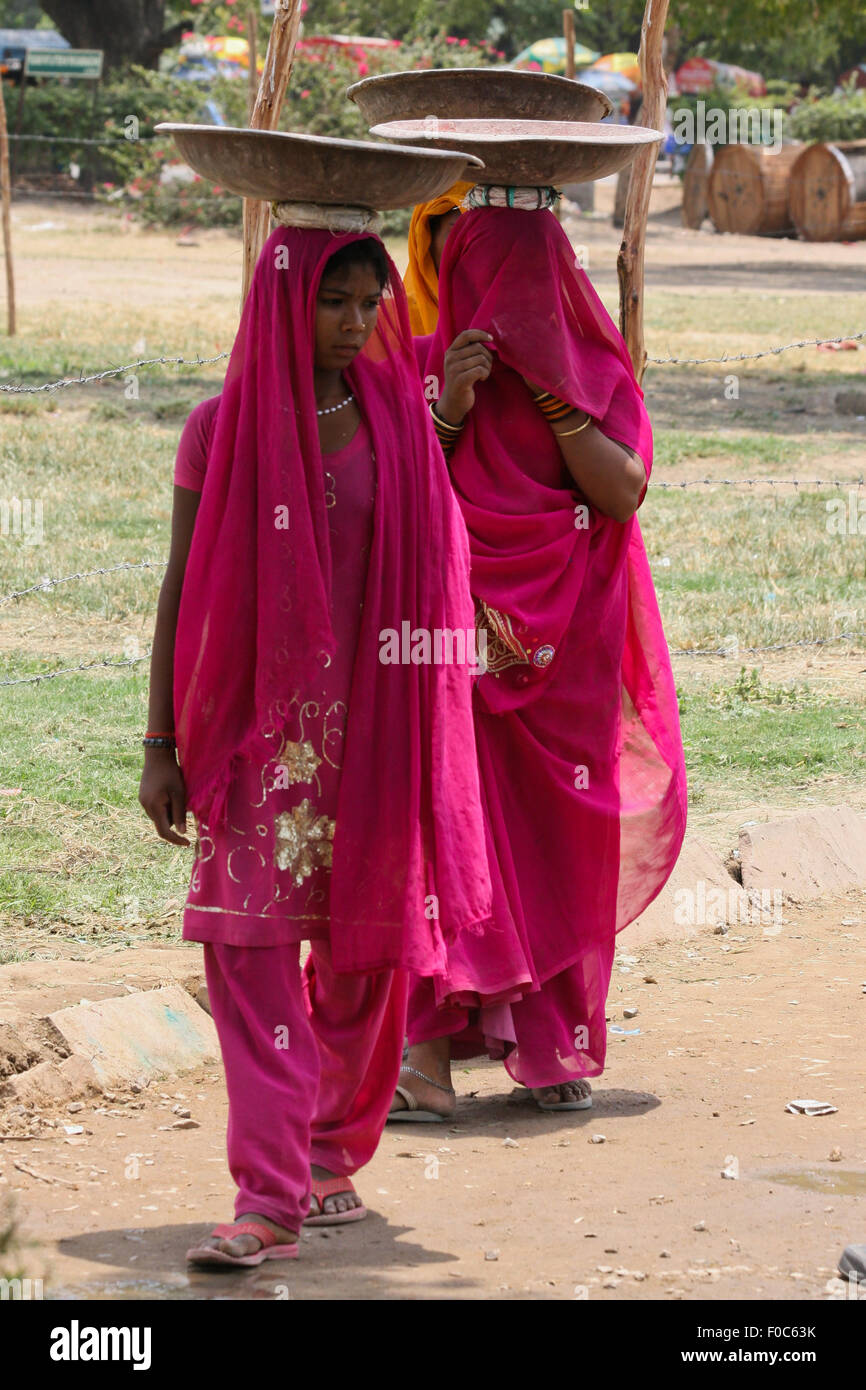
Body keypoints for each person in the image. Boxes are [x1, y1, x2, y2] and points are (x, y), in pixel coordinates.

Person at [139, 221, 496, 1264]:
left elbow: (436, 569)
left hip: (378, 734)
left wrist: (437, 718)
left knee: (364, 959)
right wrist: (162, 738)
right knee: (242, 949)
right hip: (257, 738)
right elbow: (180, 582)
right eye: (330, 301)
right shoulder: (218, 431)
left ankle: (329, 1148)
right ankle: (267, 1193)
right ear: (284, 304)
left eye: (367, 303)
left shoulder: (396, 425)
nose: (351, 323)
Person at [390, 196, 687, 1120]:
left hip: (571, 654)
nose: (506, 298)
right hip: (456, 646)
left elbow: (624, 491)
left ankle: (554, 1045)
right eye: (486, 273)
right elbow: (394, 502)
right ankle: (426, 1061)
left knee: (558, 837)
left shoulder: (593, 367)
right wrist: (450, 408)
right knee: (453, 830)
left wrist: (556, 396)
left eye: (527, 277)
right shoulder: (423, 367)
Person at [403, 180, 474, 335]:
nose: (473, 248)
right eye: (458, 232)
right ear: (425, 239)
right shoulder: (391, 321)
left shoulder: (507, 316)